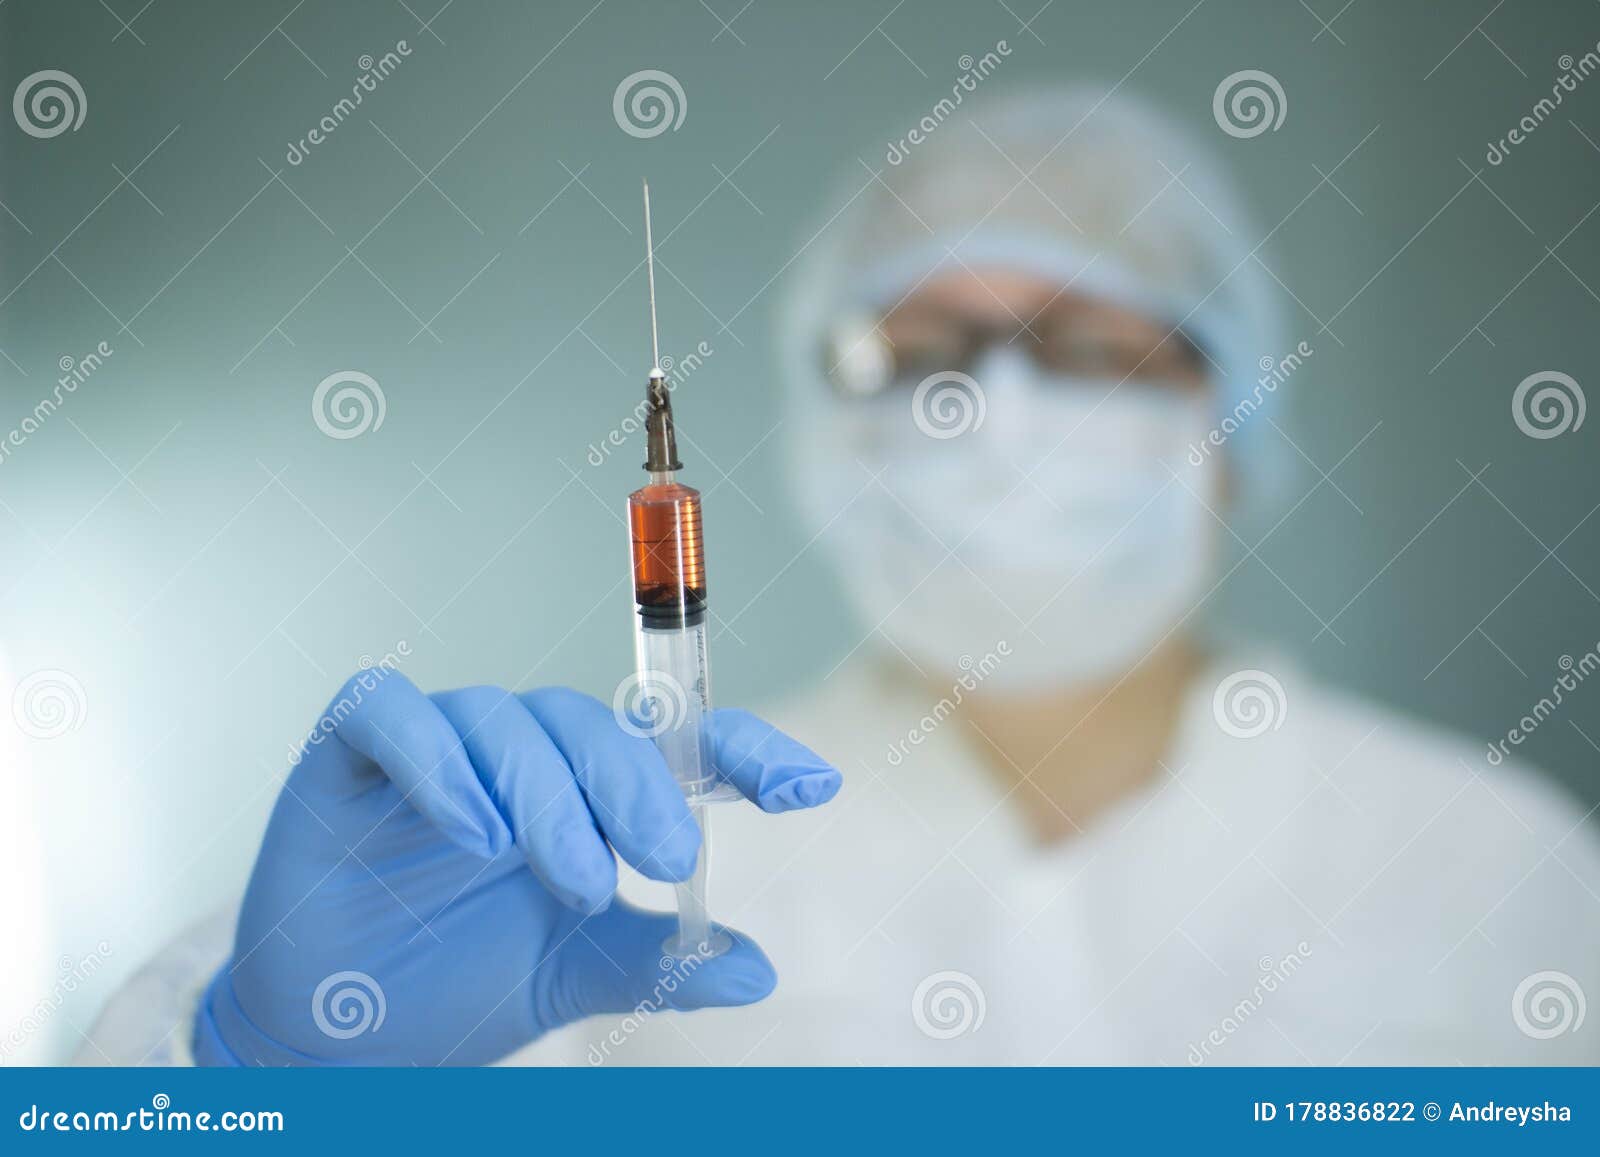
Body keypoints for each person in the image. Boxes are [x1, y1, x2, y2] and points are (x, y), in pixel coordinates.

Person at [80, 86, 1599, 1066]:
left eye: (1085, 343)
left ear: (1227, 412)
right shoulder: (613, 875)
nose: (991, 412)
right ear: (827, 433)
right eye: (923, 354)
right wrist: (255, 1069)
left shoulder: (1496, 870)